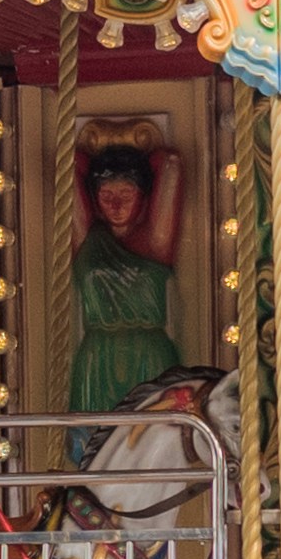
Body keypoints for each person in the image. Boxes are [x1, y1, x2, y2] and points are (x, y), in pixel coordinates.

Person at [65, 135, 186, 420]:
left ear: (142, 199)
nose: (116, 205)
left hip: (149, 352)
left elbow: (171, 163)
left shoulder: (155, 240)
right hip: (98, 355)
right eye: (107, 197)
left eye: (127, 196)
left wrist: (142, 164)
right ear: (94, 200)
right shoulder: (87, 240)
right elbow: (68, 165)